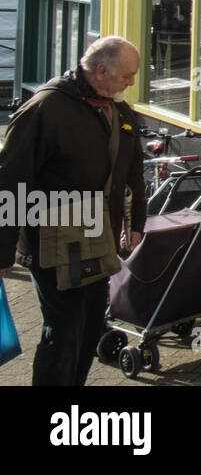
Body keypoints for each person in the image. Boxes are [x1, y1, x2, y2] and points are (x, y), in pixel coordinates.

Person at [0, 36, 147, 386]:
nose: (131, 82)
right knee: (63, 331)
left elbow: (133, 171)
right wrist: (2, 251)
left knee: (89, 326)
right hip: (52, 239)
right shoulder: (45, 109)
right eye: (127, 75)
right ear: (101, 71)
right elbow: (10, 183)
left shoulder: (118, 108)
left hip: (99, 236)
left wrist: (136, 222)